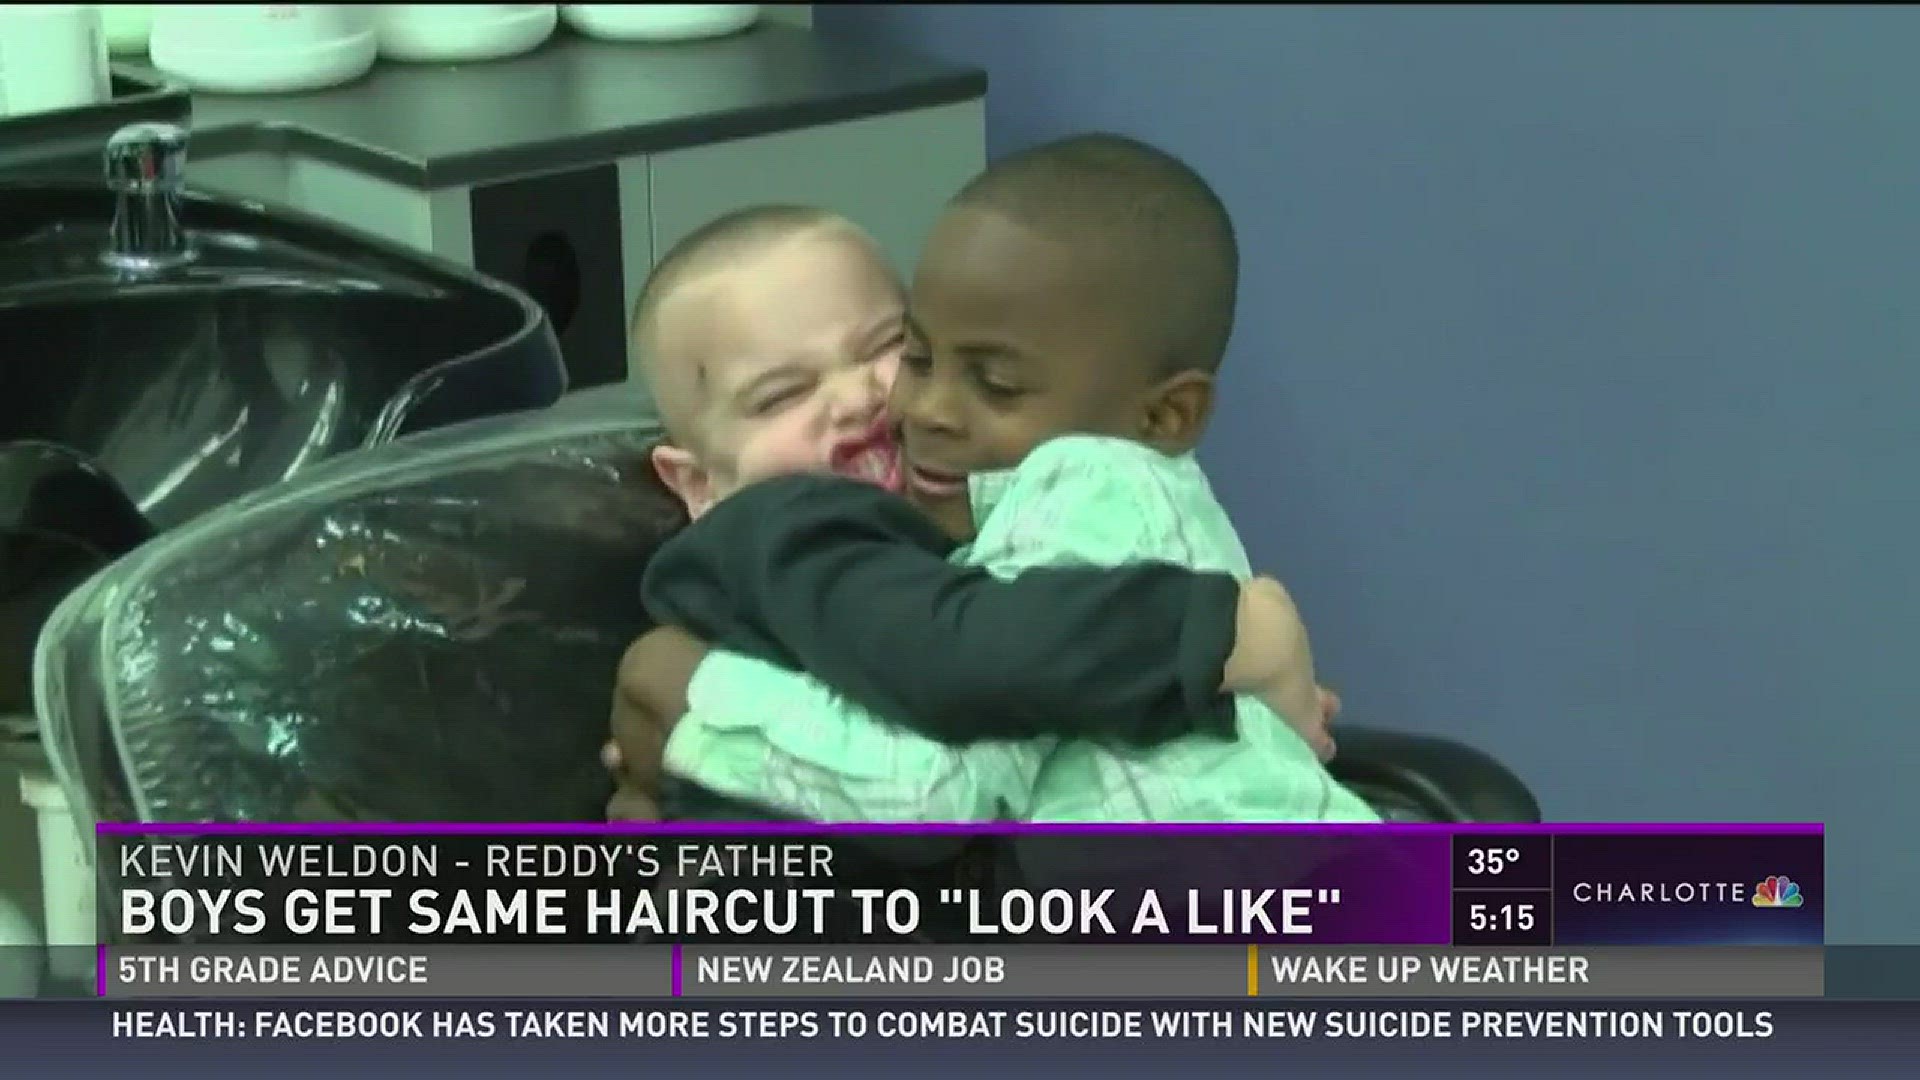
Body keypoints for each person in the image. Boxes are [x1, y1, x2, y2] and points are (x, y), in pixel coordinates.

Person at [615, 134, 1375, 825]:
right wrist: (1228, 637)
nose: (863, 400)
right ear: (698, 482)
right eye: (782, 395)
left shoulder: (1018, 501)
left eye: (891, 350)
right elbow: (959, 666)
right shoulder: (786, 527)